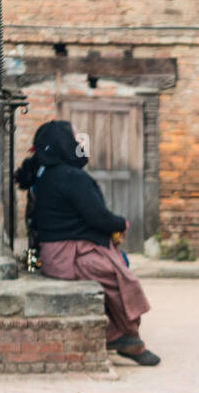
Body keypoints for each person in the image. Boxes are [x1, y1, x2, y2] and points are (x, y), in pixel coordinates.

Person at [15, 121, 158, 365]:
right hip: (67, 257)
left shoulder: (45, 175)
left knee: (117, 268)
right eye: (74, 138)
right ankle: (127, 336)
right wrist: (122, 224)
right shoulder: (71, 177)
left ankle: (122, 336)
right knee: (120, 278)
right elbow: (98, 217)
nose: (80, 143)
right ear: (62, 143)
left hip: (52, 257)